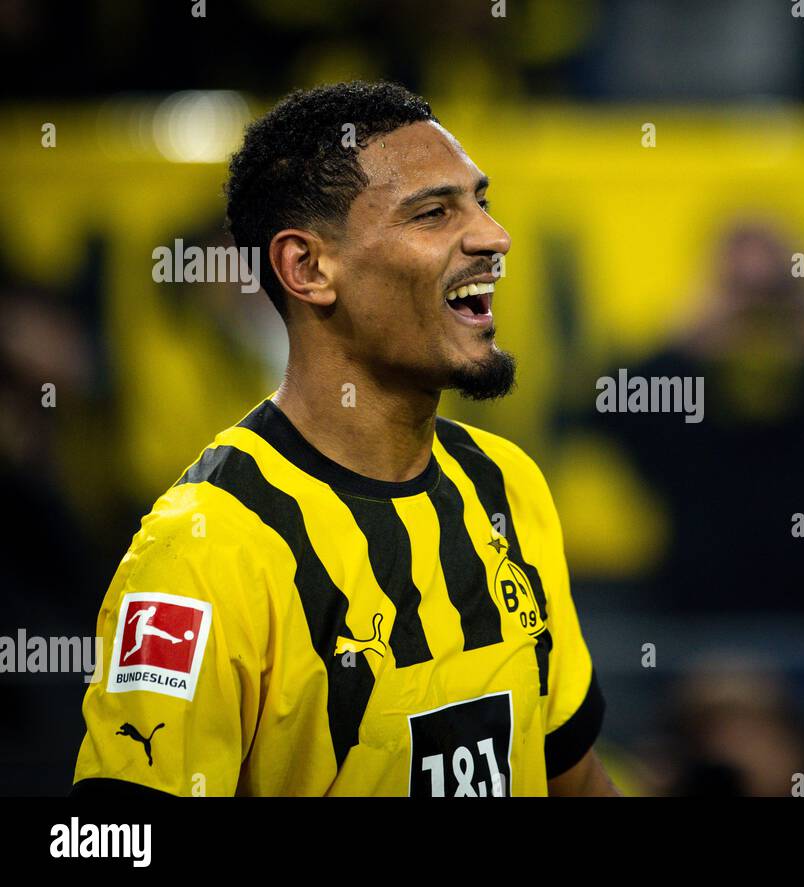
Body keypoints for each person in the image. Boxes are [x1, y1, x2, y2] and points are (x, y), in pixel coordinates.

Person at [71, 81, 616, 796]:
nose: (492, 236)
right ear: (307, 268)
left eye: (481, 201)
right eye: (433, 213)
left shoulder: (506, 485)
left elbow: (570, 778)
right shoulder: (199, 554)